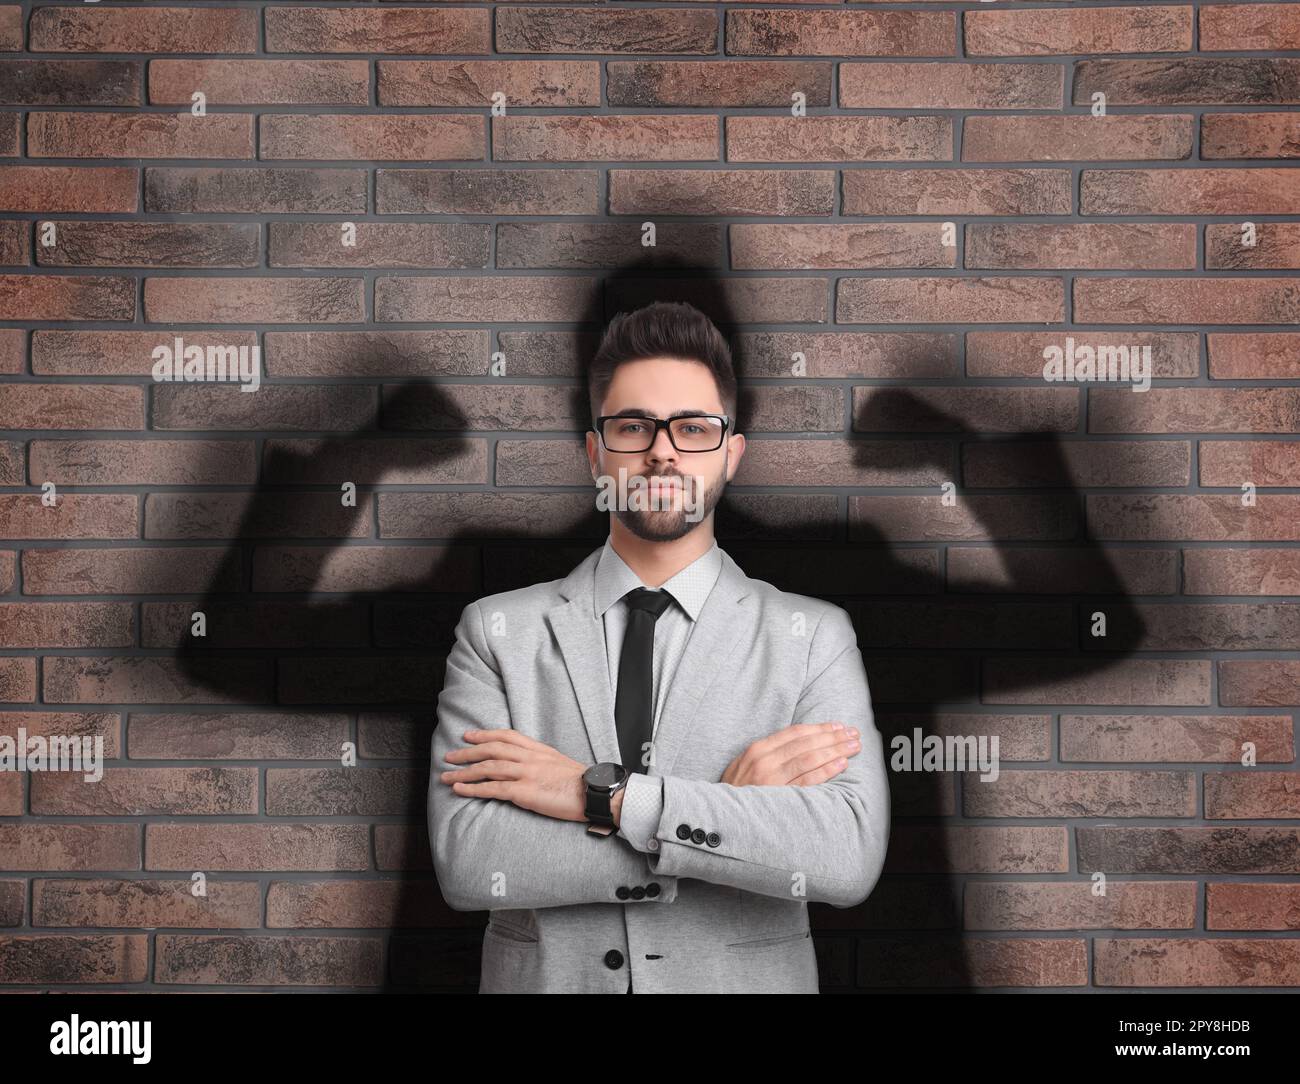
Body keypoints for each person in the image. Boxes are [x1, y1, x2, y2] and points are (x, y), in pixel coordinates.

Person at [427, 300, 890, 993]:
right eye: (634, 425)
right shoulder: (497, 633)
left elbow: (844, 857)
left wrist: (599, 798)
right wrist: (720, 822)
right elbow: (469, 861)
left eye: (693, 428)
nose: (663, 450)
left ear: (730, 455)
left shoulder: (813, 636)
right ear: (595, 452)